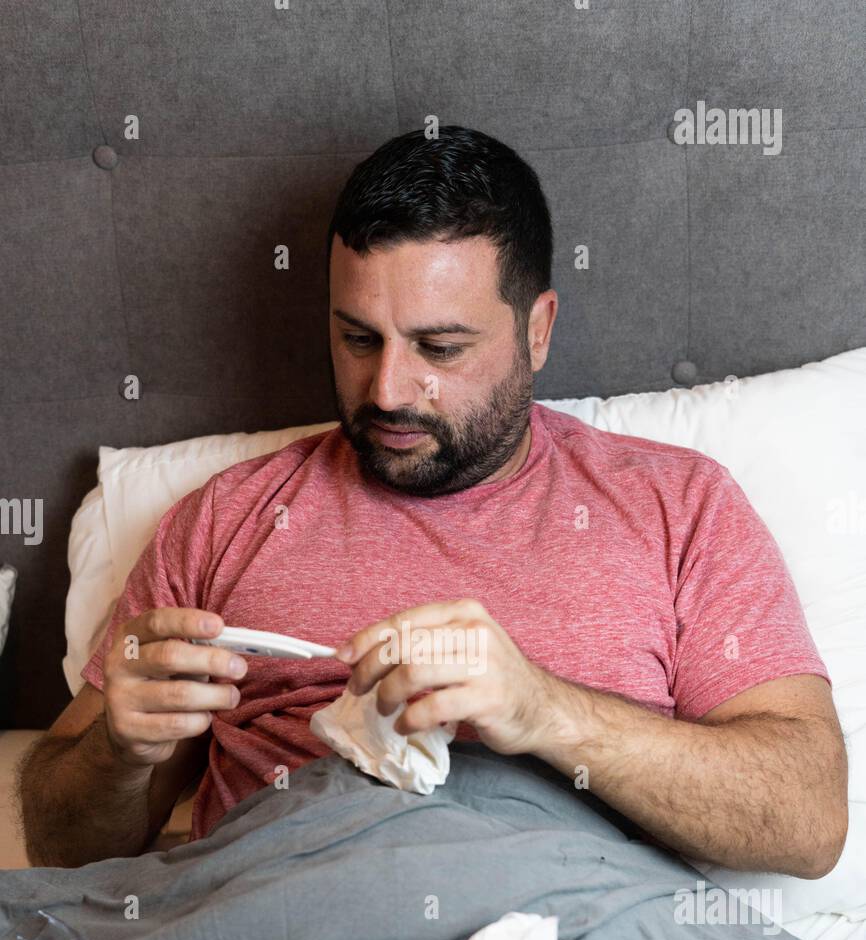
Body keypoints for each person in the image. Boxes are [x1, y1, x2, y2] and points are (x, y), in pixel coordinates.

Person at [20, 127, 847, 874]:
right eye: (357, 338)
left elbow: (808, 819)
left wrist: (545, 710)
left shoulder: (677, 507)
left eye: (439, 347)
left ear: (538, 330)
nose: (386, 389)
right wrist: (118, 752)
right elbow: (65, 844)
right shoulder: (226, 521)